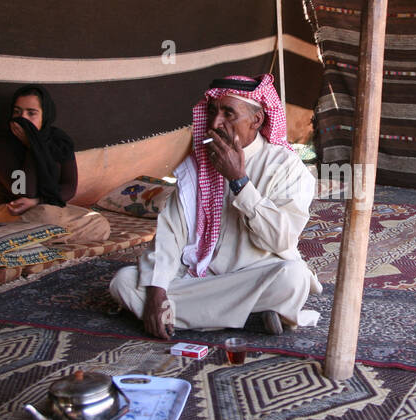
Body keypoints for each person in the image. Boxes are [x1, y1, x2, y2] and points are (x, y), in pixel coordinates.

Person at [109, 73, 321, 338]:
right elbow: (171, 233)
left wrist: (239, 181)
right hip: (199, 274)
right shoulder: (199, 162)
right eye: (212, 112)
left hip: (255, 275)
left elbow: (280, 240)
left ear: (257, 119)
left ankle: (183, 313)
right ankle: (250, 316)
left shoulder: (286, 167)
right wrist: (157, 290)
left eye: (228, 114)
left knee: (293, 277)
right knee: (123, 281)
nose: (215, 122)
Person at [0, 84, 110, 244]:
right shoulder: (3, 146)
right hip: (14, 211)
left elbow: (69, 187)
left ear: (45, 116)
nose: (22, 118)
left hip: (48, 207)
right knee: (46, 216)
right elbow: (25, 191)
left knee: (98, 223)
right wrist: (33, 147)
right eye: (17, 112)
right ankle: (47, 236)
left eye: (31, 113)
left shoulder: (58, 141)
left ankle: (38, 239)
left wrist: (38, 201)